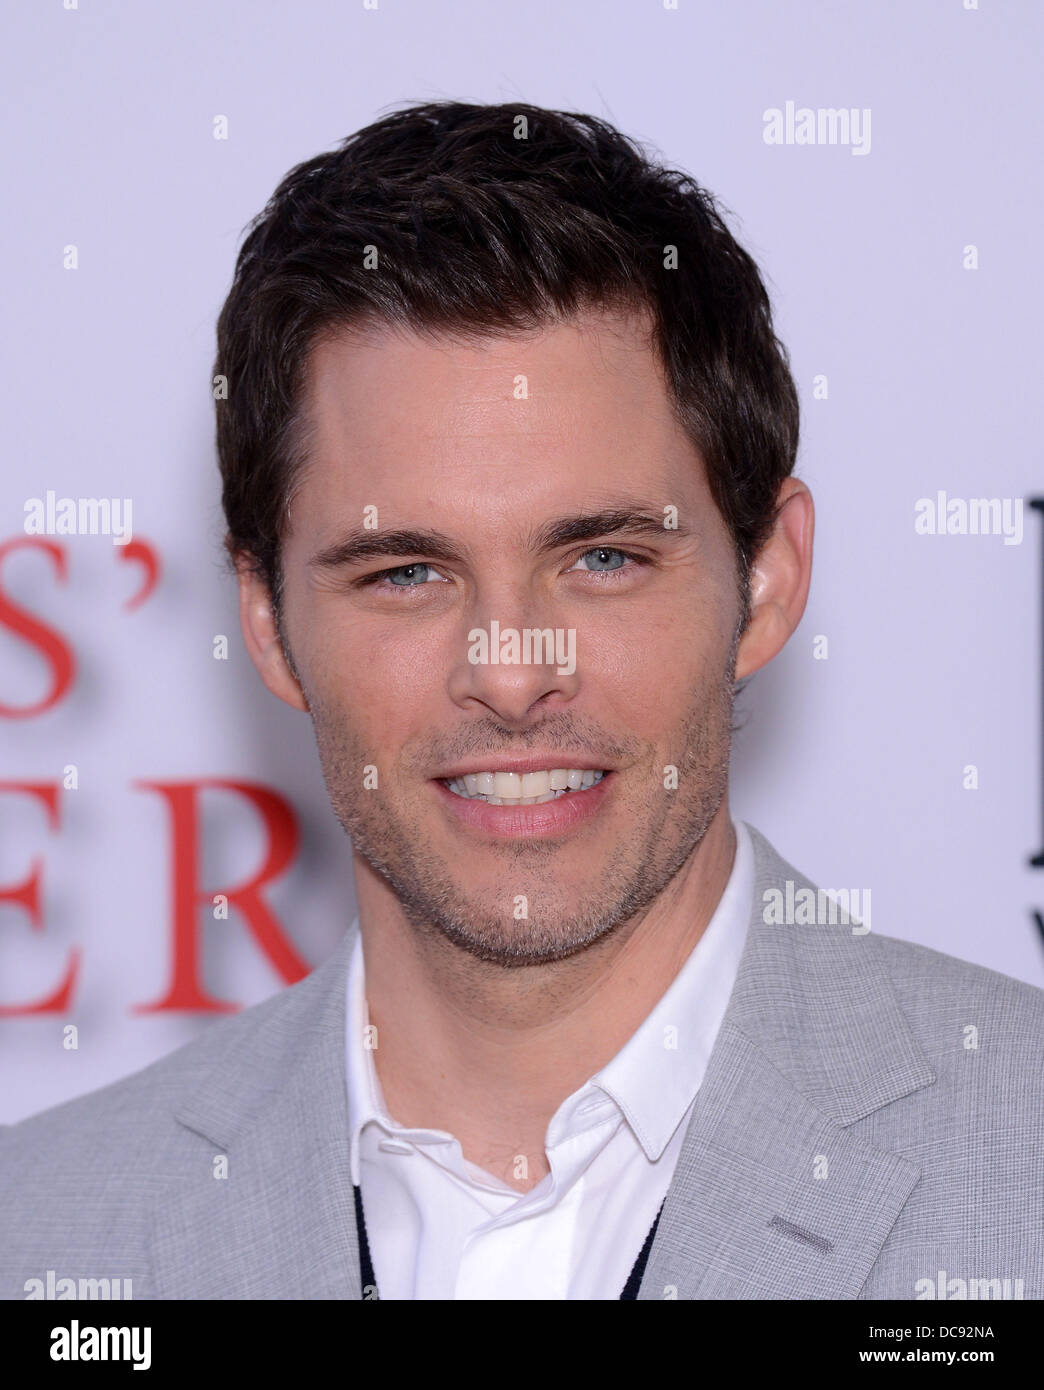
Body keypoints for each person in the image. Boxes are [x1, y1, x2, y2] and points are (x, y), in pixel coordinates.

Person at [2, 101, 1041, 1301]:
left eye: (602, 556)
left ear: (768, 581)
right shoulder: (46, 1237)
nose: (508, 667)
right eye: (405, 572)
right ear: (267, 622)